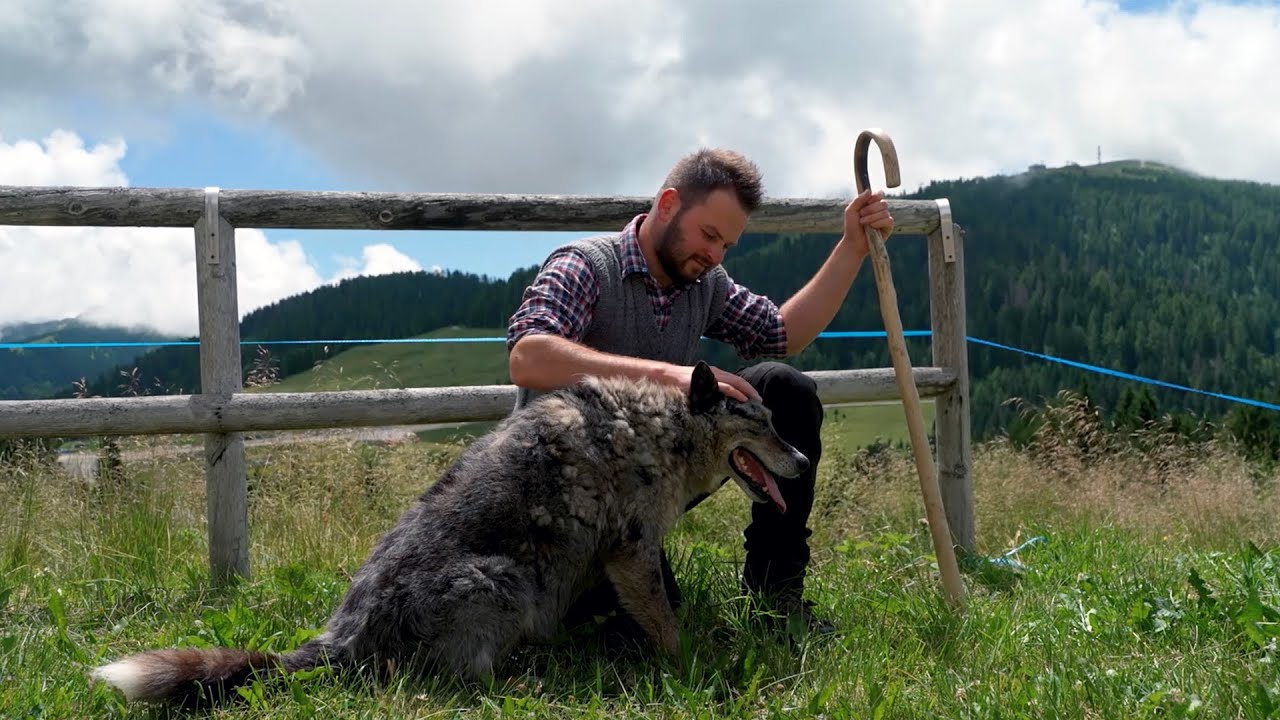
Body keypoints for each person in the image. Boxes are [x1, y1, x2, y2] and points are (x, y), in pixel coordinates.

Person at [505, 147, 894, 635]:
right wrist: (670, 376)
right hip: (571, 499)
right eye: (709, 235)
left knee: (782, 388)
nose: (714, 254)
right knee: (628, 633)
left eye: (726, 245)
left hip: (652, 479)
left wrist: (852, 246)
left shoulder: (704, 282)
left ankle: (776, 599)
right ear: (668, 204)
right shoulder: (585, 266)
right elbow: (528, 356)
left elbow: (783, 333)